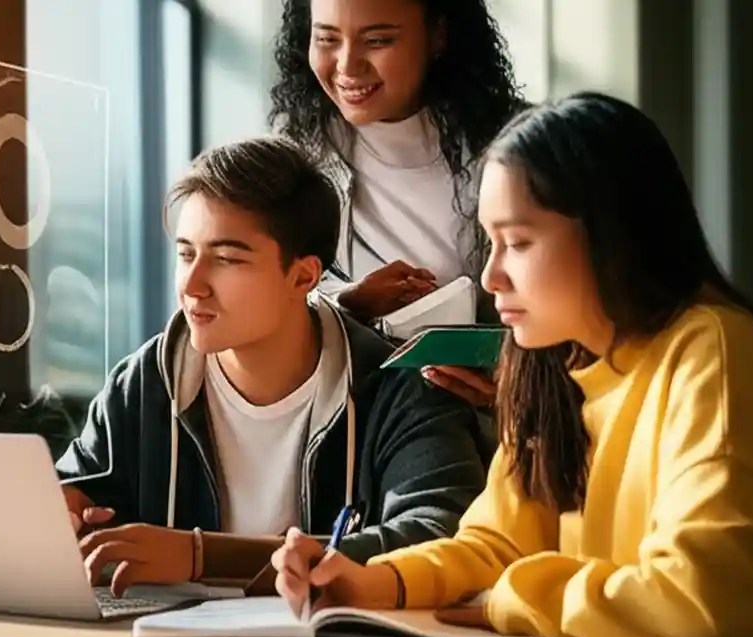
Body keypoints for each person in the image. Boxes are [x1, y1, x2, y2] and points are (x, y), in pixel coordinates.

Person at [270, 92, 753, 637]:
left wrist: (508, 598)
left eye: (519, 243)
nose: (490, 276)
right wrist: (372, 581)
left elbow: (703, 605)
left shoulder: (712, 352)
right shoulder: (556, 364)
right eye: (491, 243)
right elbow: (496, 543)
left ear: (612, 234)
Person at [56, 136, 486, 598]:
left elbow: (441, 536)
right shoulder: (144, 384)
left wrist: (203, 556)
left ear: (303, 276)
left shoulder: (398, 388)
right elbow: (77, 490)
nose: (193, 285)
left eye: (226, 259)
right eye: (185, 254)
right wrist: (64, 514)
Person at [270, 0, 526, 407]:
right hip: (354, 426)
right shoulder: (300, 151)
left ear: (438, 36)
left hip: (489, 431)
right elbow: (264, 299)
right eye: (327, 39)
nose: (348, 67)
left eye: (377, 40)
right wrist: (349, 301)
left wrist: (519, 393)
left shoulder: (519, 149)